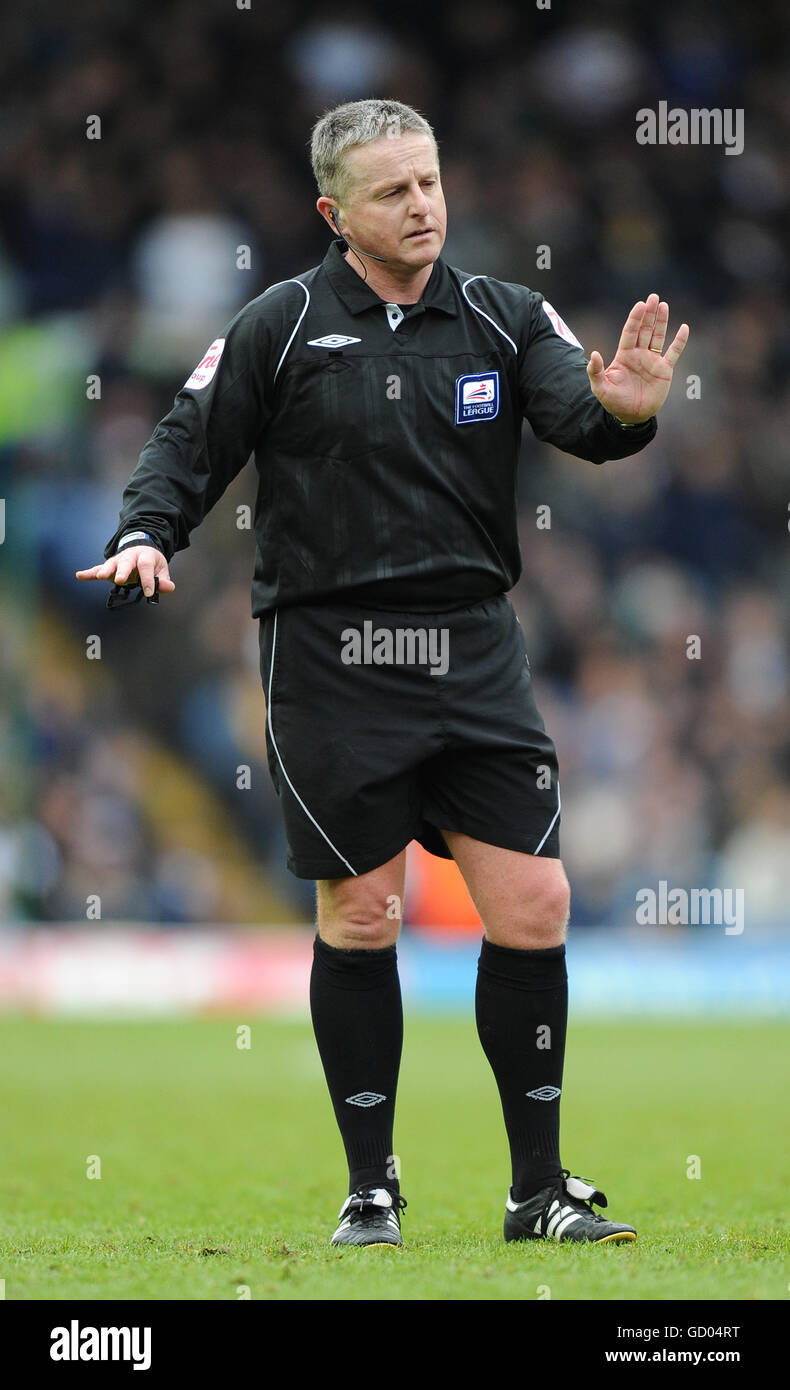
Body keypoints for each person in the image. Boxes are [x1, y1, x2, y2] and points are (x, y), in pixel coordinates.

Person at [77, 98, 689, 1248]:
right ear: (334, 213)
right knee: (362, 914)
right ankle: (371, 1184)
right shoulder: (282, 322)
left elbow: (579, 408)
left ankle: (537, 1189)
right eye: (393, 192)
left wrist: (624, 417)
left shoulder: (505, 315)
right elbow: (188, 438)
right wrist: (144, 532)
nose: (422, 206)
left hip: (469, 645)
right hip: (331, 655)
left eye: (430, 181)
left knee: (537, 903)